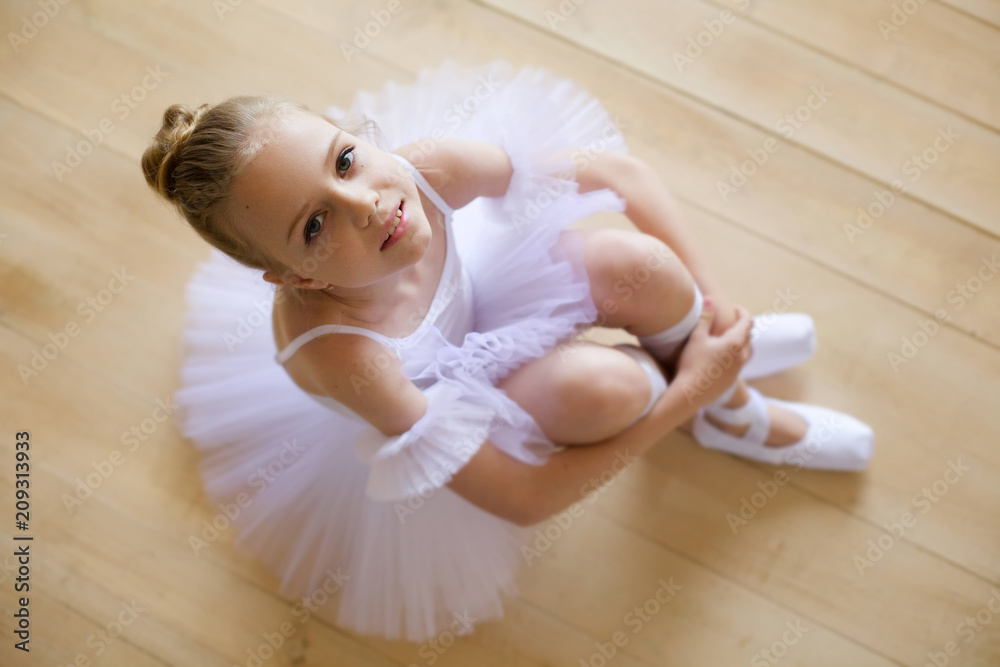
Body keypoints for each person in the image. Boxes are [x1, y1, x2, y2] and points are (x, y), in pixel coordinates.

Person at [141, 59, 874, 642]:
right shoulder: (344, 358)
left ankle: (724, 392)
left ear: (354, 135)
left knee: (635, 263)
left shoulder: (427, 172)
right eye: (314, 226)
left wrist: (717, 315)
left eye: (346, 160)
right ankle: (703, 401)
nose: (368, 205)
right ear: (297, 278)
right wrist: (689, 391)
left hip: (487, 297)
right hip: (446, 392)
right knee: (607, 391)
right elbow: (525, 498)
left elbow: (620, 177)